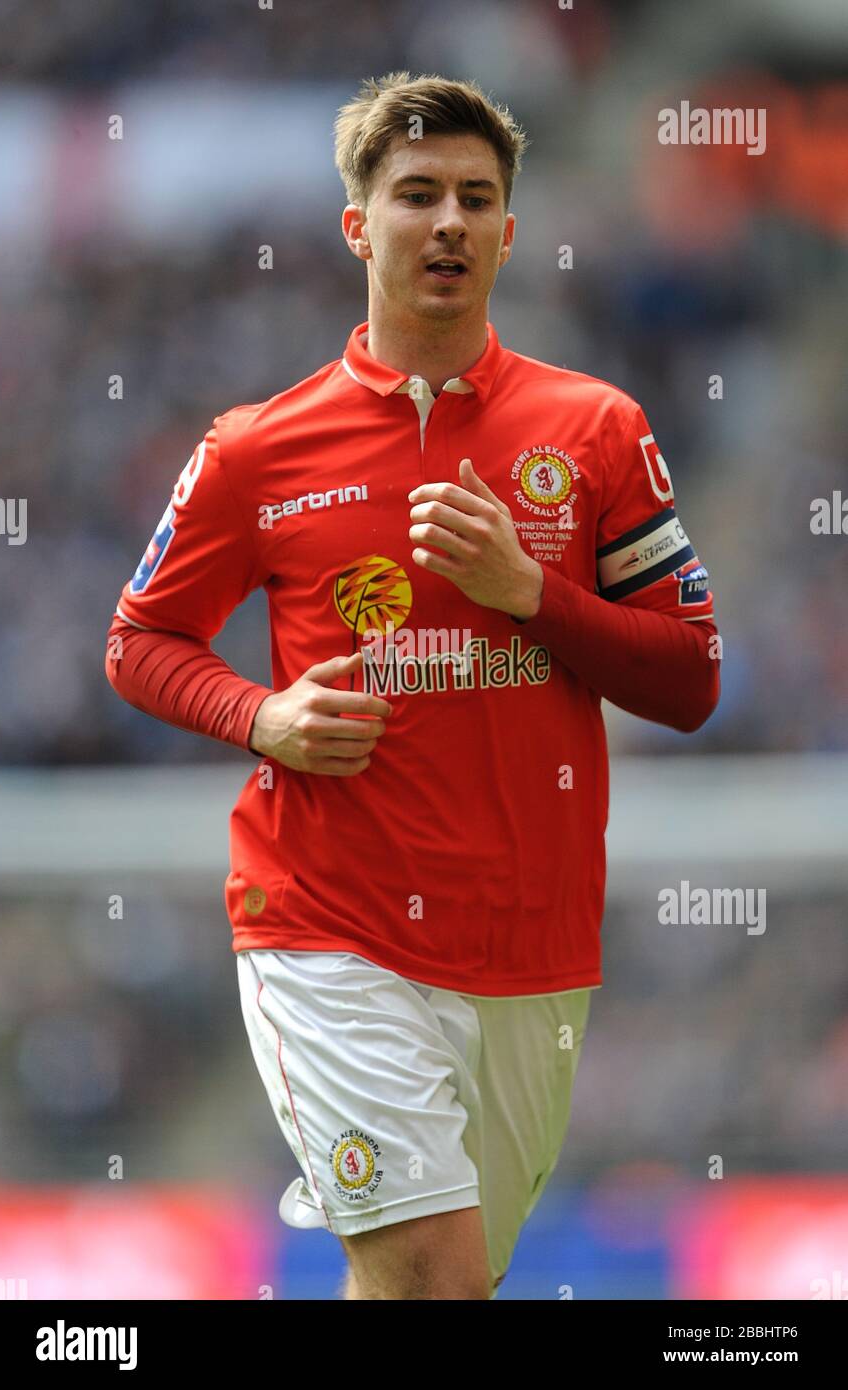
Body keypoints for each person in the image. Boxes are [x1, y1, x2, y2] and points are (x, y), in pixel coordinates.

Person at [105, 71, 720, 1300]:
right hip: (327, 927)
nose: (446, 221)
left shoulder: (596, 430)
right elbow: (140, 642)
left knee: (436, 1286)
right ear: (357, 224)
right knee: (429, 1269)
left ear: (509, 230)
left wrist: (527, 593)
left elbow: (691, 677)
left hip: (530, 946)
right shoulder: (255, 450)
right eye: (416, 194)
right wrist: (260, 714)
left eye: (476, 198)